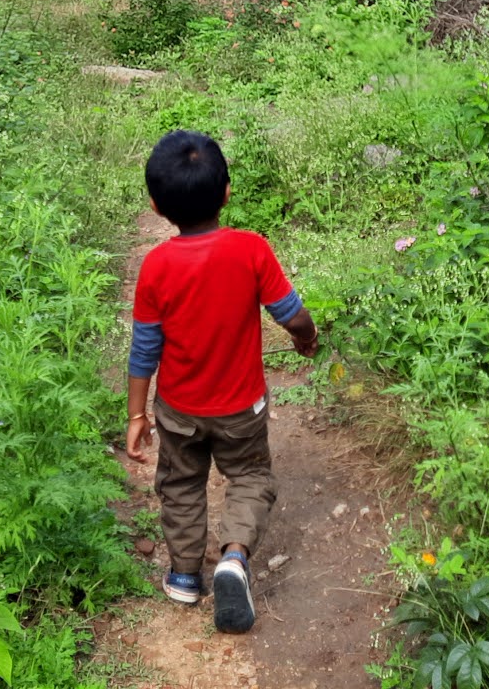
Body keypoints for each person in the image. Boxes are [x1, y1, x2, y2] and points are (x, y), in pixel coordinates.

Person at [125, 130, 319, 635]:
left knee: (182, 484)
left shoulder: (156, 267)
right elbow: (291, 313)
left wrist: (136, 415)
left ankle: (186, 575)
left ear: (156, 205)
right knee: (251, 478)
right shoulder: (250, 250)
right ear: (227, 192)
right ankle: (234, 557)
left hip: (178, 409)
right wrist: (307, 338)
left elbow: (145, 349)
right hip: (241, 408)